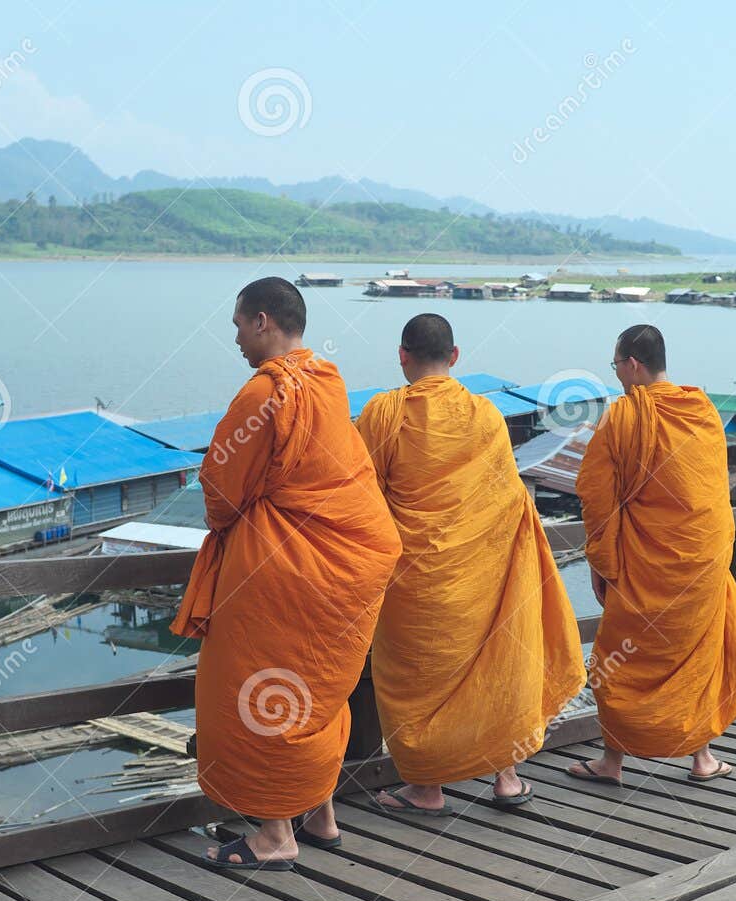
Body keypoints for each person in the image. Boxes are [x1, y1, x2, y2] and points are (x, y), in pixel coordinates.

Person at [174, 276, 401, 870]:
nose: (236, 340)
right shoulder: (327, 382)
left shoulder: (264, 395)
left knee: (259, 686)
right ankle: (320, 816)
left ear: (263, 321)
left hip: (284, 571)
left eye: (238, 326)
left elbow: (221, 492)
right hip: (347, 560)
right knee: (319, 692)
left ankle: (276, 834)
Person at [354, 314, 584, 816]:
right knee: (495, 661)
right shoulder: (485, 415)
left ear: (402, 355)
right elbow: (509, 501)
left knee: (420, 678)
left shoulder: (383, 411)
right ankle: (506, 777)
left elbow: (364, 496)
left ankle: (426, 788)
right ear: (454, 357)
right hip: (480, 572)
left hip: (414, 578)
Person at [569, 323, 736, 784]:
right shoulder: (700, 409)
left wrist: (603, 562)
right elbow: (712, 490)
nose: (616, 373)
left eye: (616, 364)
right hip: (700, 557)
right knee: (695, 653)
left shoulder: (621, 418)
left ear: (633, 365)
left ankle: (611, 763)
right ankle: (702, 759)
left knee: (619, 656)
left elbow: (597, 497)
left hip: (642, 565)